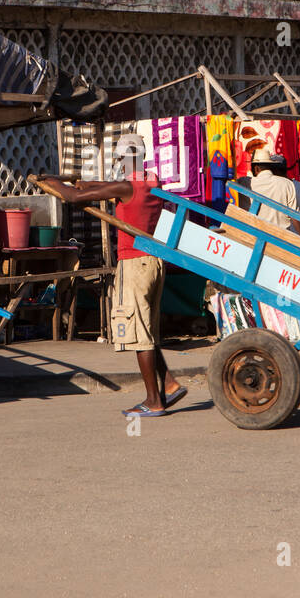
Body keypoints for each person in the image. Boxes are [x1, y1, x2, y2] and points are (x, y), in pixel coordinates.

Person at [36, 135, 185, 418]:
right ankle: (169, 384)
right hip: (154, 262)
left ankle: (154, 400)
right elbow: (97, 187)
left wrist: (50, 183)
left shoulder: (126, 186)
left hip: (134, 263)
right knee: (147, 330)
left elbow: (73, 197)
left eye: (120, 159)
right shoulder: (153, 182)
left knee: (138, 334)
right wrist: (78, 182)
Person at [248, 147, 300, 237]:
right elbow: (294, 215)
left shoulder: (246, 183)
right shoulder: (290, 184)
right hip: (282, 237)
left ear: (256, 168)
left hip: (255, 234)